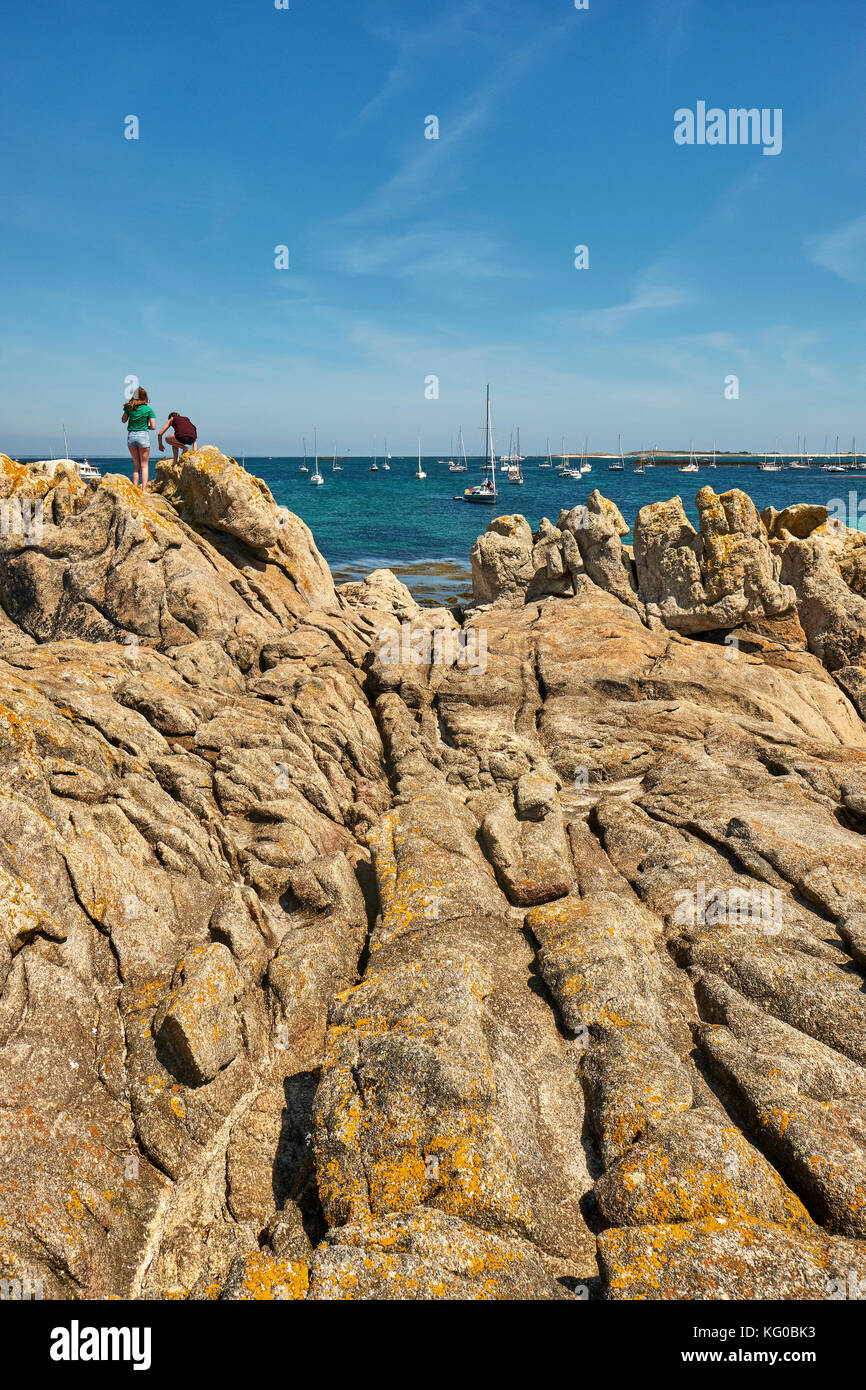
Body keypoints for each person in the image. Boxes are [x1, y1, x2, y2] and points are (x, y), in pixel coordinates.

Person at [122, 387, 156, 489]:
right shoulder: (148, 409)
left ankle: (135, 487)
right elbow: (153, 427)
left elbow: (123, 420)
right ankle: (144, 490)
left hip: (131, 436)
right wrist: (146, 426)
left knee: (136, 465)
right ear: (145, 397)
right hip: (143, 436)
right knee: (144, 465)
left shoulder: (129, 408)